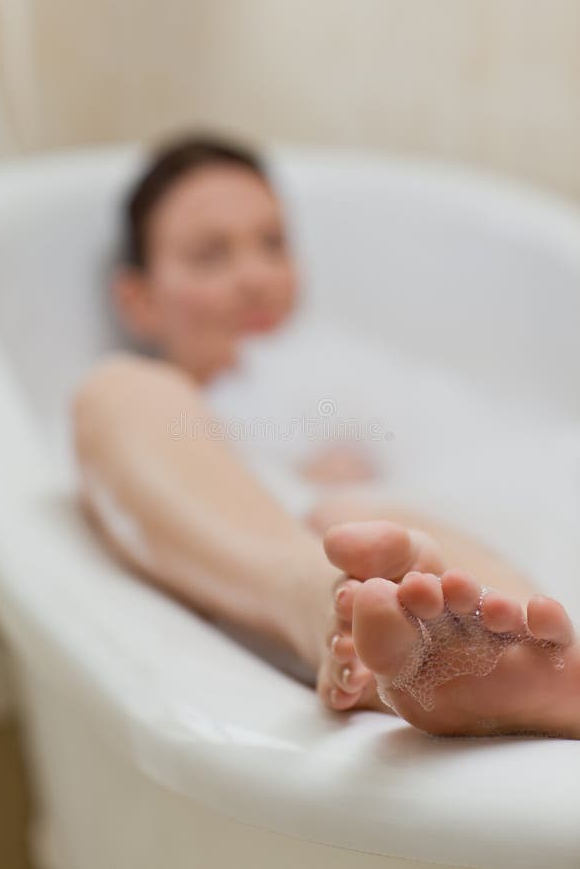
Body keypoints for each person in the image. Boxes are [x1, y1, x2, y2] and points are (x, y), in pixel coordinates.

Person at [73, 134, 580, 738]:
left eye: (273, 244)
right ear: (139, 300)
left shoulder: (358, 386)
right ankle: (333, 613)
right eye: (211, 256)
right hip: (283, 580)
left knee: (356, 517)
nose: (256, 277)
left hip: (496, 550)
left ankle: (522, 662)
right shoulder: (146, 408)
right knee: (113, 390)